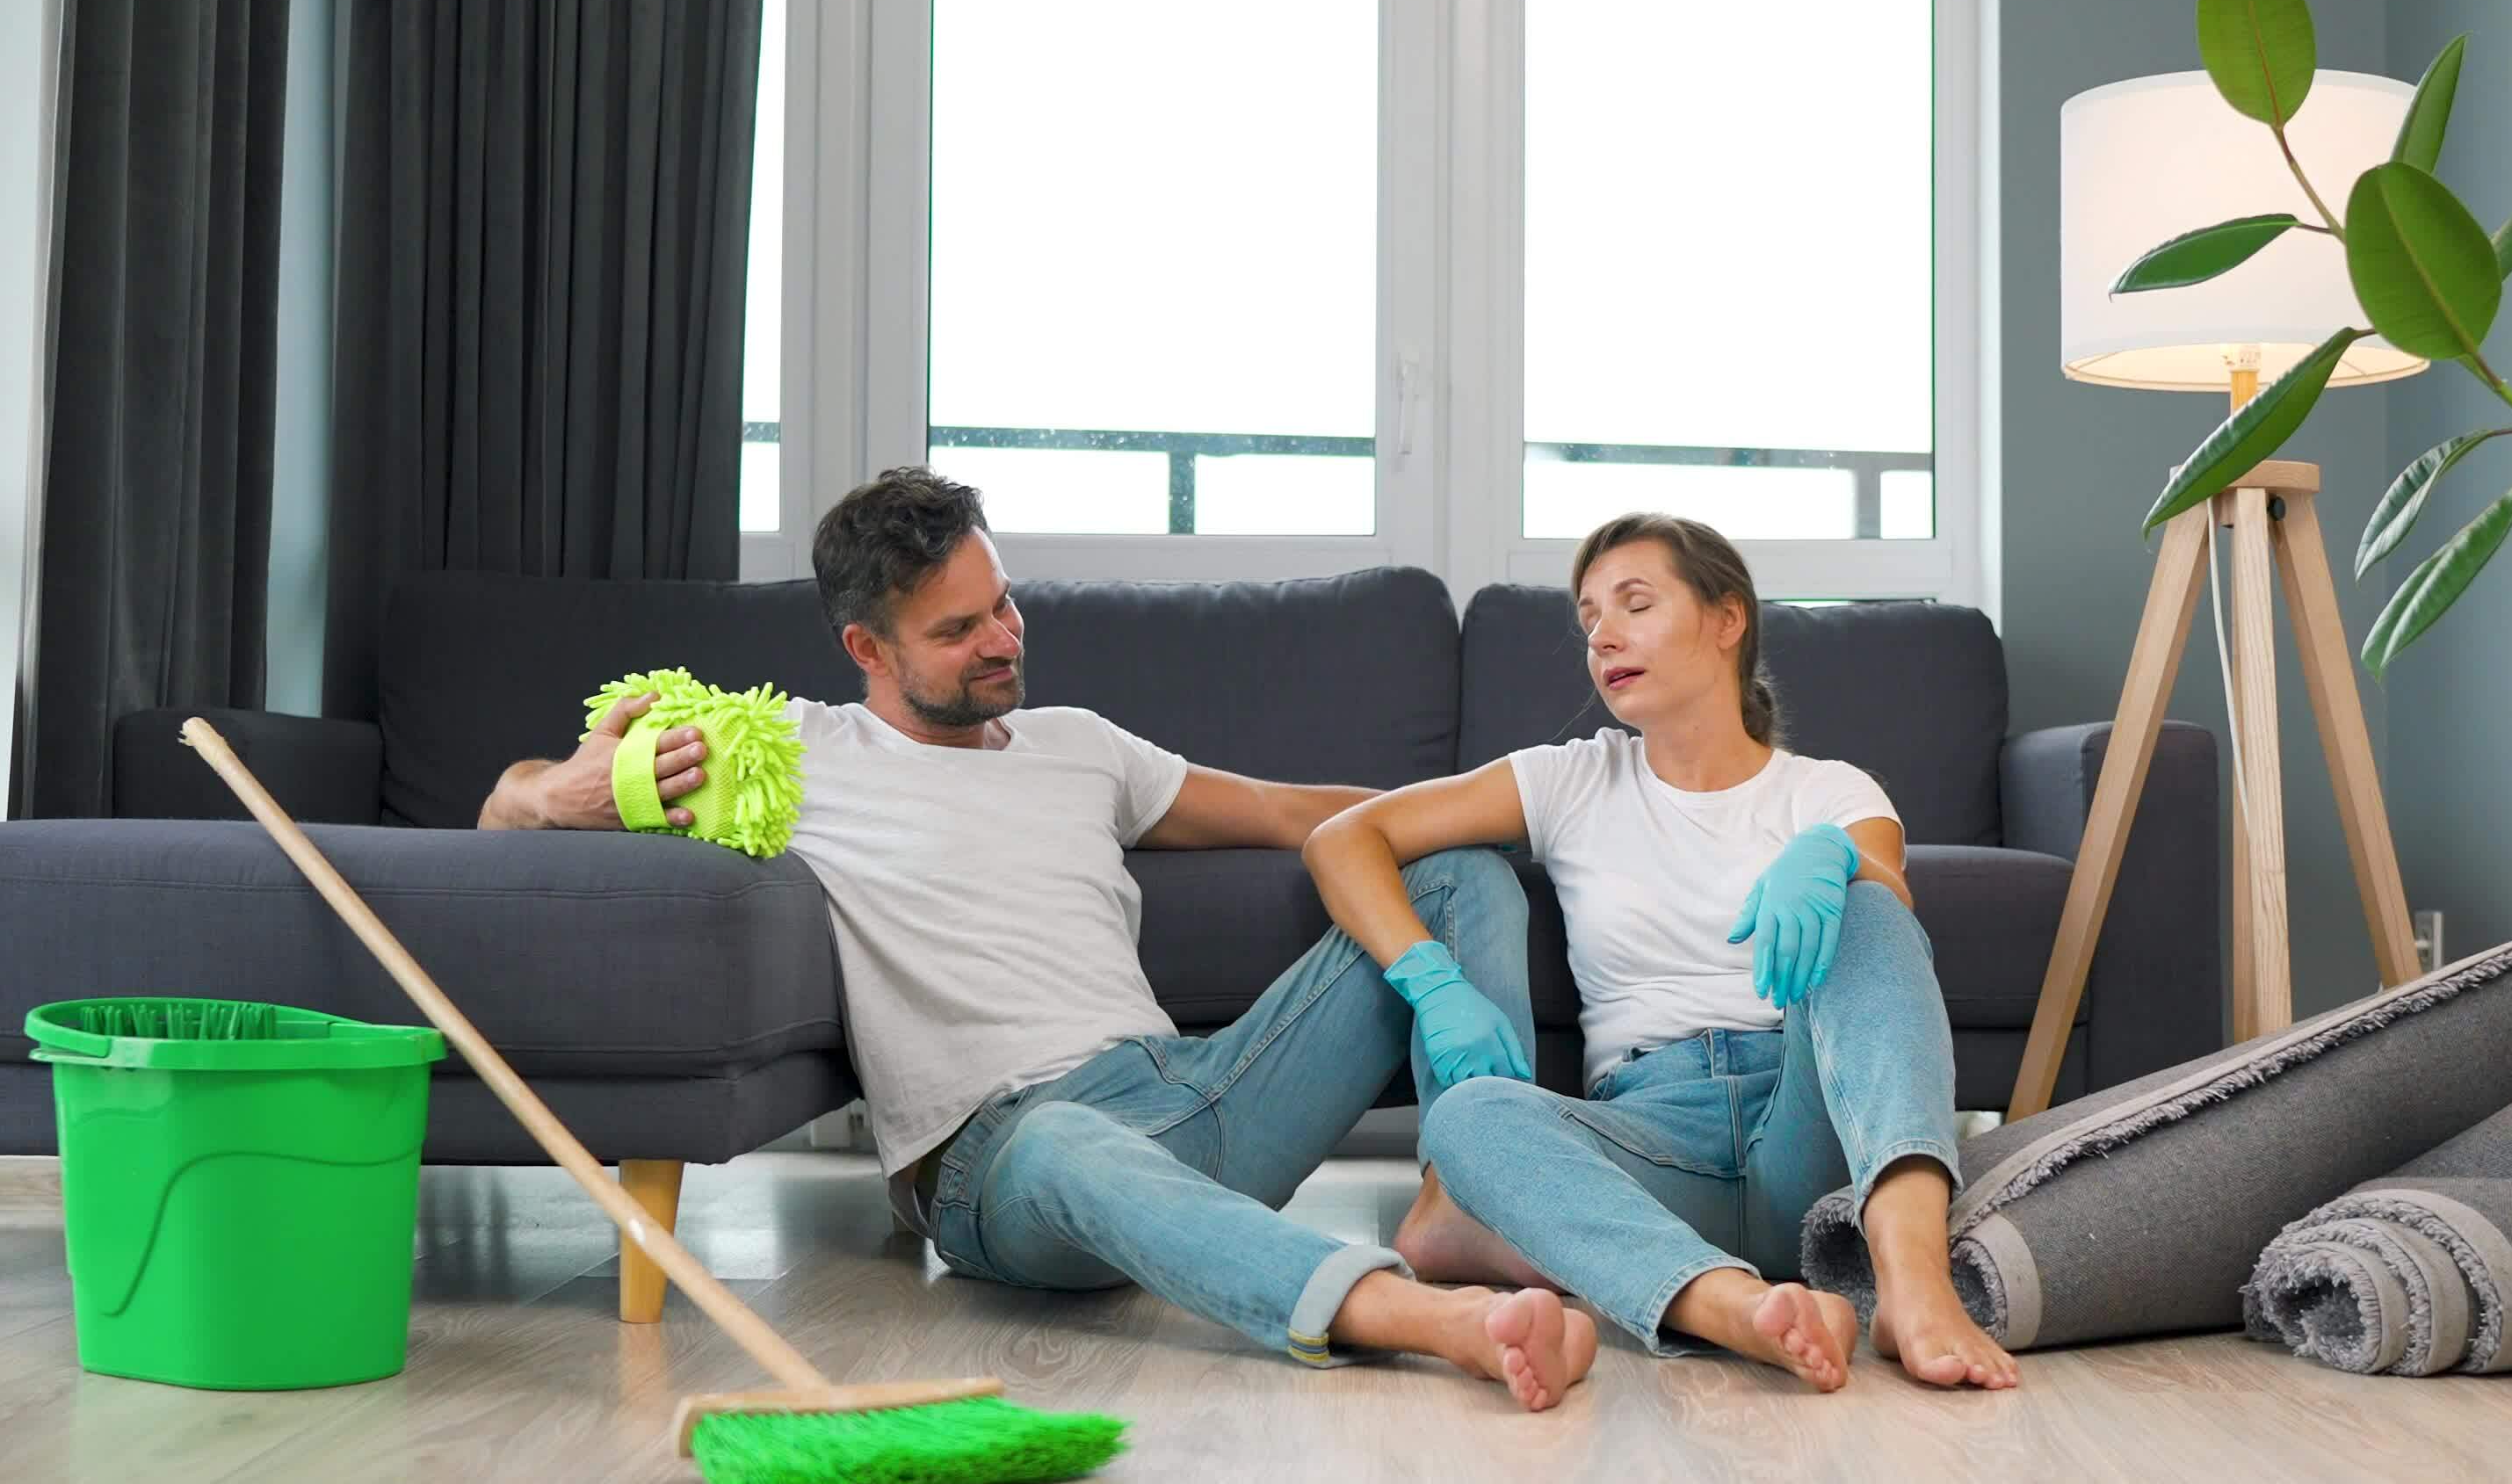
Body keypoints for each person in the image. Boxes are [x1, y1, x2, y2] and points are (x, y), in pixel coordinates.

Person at [478, 467, 1596, 1411]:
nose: (1001, 640)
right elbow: (505, 800)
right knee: (1066, 1141)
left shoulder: (1080, 744)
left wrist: (1530, 811)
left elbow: (1285, 811)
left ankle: (1470, 1200)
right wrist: (554, 796)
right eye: (957, 631)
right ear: (866, 647)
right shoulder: (793, 753)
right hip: (1002, 1155)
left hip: (1197, 1090)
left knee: (1455, 869)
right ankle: (1415, 1315)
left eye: (1004, 604)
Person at [1301, 514, 2018, 1391]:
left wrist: (1835, 859)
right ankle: (1728, 1306)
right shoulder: (1572, 779)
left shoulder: (1829, 790)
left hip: (1808, 1125)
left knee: (1867, 906)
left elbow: (1889, 913)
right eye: (1590, 618)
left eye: (1634, 604)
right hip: (1649, 1140)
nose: (1603, 635)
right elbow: (1346, 838)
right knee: (1467, 1115)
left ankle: (1914, 1288)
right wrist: (1428, 976)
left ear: (1727, 621)